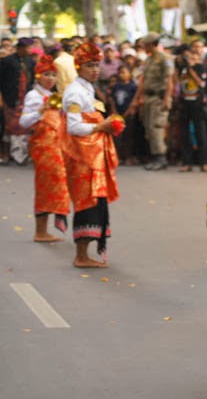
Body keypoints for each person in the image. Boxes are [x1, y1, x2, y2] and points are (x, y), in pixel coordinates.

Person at [62, 42, 122, 268]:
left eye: (97, 65)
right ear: (79, 67)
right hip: (84, 158)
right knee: (87, 202)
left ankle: (86, 253)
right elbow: (74, 127)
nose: (95, 69)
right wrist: (101, 127)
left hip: (94, 156)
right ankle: (81, 255)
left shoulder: (87, 88)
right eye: (90, 65)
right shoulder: (75, 93)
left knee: (97, 202)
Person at [19, 55, 70, 242]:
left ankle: (44, 230)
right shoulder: (33, 96)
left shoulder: (55, 95)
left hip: (57, 145)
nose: (50, 78)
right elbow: (23, 121)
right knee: (45, 186)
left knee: (55, 185)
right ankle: (40, 231)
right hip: (43, 147)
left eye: (53, 75)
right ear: (38, 76)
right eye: (46, 75)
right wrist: (42, 110)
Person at [131, 33, 174, 171]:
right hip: (149, 98)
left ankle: (161, 158)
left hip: (159, 98)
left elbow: (169, 81)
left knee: (157, 127)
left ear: (151, 44)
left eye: (145, 45)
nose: (143, 48)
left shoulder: (164, 58)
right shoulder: (149, 60)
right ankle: (155, 156)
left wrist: (167, 99)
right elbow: (143, 80)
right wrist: (137, 99)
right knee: (149, 128)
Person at [0, 38, 36, 165]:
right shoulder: (7, 61)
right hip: (10, 99)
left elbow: (31, 80)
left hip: (26, 99)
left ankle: (23, 154)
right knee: (8, 127)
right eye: (27, 48)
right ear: (20, 48)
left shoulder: (30, 62)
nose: (30, 50)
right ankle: (6, 154)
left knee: (24, 127)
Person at [175, 47, 207, 172]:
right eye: (190, 58)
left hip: (198, 104)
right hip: (184, 103)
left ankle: (204, 162)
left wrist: (190, 69)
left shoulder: (201, 68)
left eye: (195, 58)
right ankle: (186, 162)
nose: (191, 60)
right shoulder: (182, 69)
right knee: (184, 133)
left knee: (201, 133)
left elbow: (201, 83)